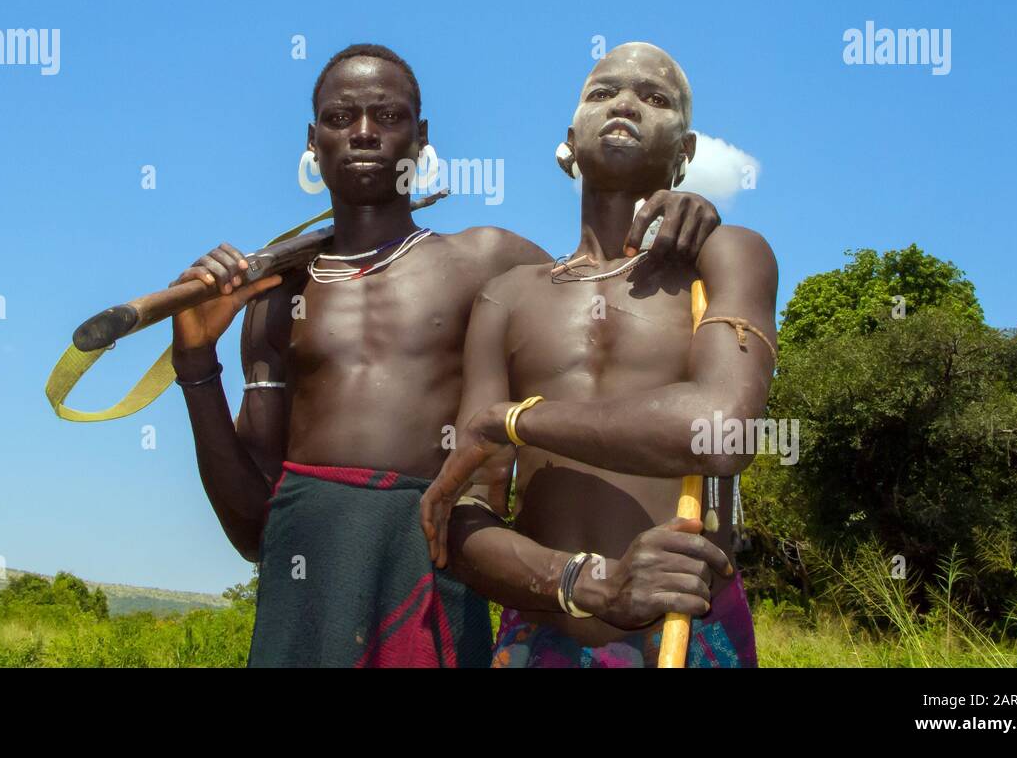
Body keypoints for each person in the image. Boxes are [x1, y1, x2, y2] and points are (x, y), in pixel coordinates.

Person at [169, 43, 722, 667]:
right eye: (340, 117)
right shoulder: (276, 299)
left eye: (388, 116)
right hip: (309, 586)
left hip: (440, 555)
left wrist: (681, 217)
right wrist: (195, 362)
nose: (364, 133)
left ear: (421, 137)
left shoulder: (489, 262)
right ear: (311, 139)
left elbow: (609, 291)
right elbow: (251, 531)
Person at [420, 41, 777, 668]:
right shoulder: (508, 297)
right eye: (602, 92)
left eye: (655, 97)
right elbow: (464, 515)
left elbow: (722, 431)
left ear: (686, 152)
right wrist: (586, 582)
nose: (626, 103)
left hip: (685, 635)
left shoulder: (726, 257)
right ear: (570, 138)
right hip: (540, 636)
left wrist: (512, 419)